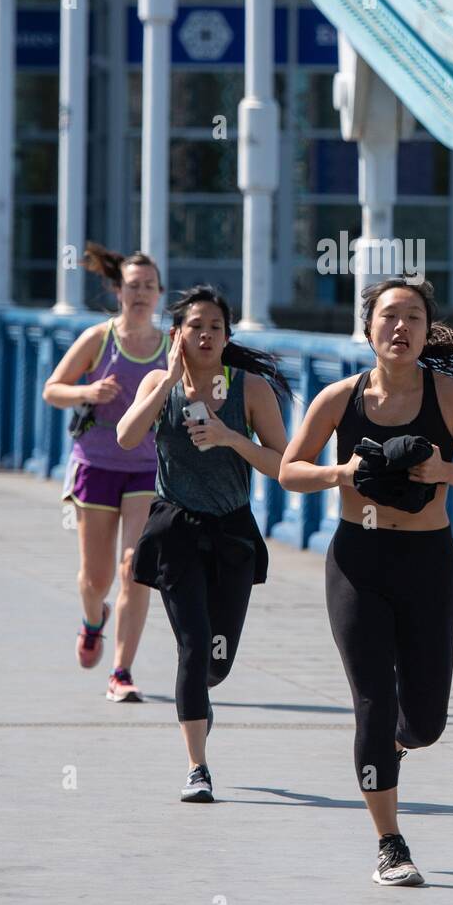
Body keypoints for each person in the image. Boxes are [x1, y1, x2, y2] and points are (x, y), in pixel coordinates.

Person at [279, 275, 453, 885]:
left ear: (428, 333)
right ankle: (391, 843)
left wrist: (442, 470)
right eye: (389, 317)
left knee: (424, 722)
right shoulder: (338, 398)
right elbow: (290, 472)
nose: (401, 328)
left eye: (414, 319)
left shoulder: (450, 398)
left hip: (428, 562)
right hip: (358, 563)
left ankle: (400, 743)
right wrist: (340, 474)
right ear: (368, 328)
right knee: (373, 702)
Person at [117, 285, 289, 804]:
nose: (206, 334)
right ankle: (198, 767)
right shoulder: (158, 382)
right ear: (177, 335)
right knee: (193, 647)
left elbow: (284, 464)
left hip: (232, 531)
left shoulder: (251, 389)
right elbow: (127, 436)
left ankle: (202, 697)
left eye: (215, 326)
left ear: (228, 335)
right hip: (176, 530)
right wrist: (168, 380)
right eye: (195, 325)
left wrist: (231, 438)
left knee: (218, 660)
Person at [43, 244, 169, 702]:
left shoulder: (171, 346)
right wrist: (89, 390)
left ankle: (121, 671)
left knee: (135, 568)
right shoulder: (100, 339)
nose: (140, 294)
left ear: (159, 294)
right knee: (96, 579)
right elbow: (51, 389)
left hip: (147, 467)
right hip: (97, 463)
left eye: (148, 287)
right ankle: (93, 618)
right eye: (132, 286)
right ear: (118, 291)